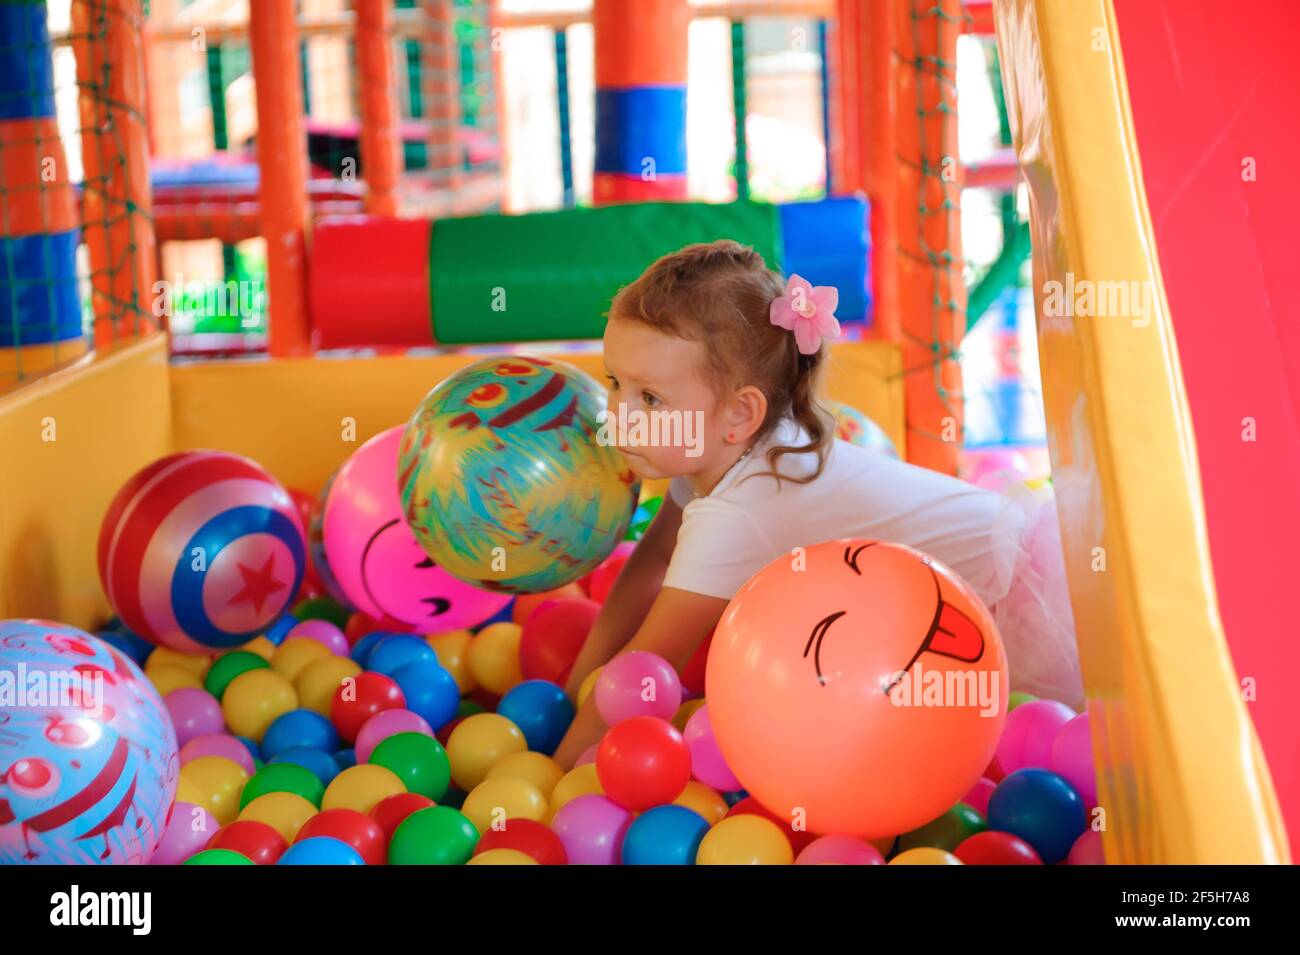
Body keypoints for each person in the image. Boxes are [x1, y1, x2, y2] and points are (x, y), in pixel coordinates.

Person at [551, 240, 1082, 768]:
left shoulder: (735, 514)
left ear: (740, 413)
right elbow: (652, 562)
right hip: (959, 585)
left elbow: (647, 669)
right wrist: (579, 679)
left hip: (1006, 605)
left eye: (649, 399)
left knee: (1041, 747)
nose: (617, 415)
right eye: (614, 383)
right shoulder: (724, 448)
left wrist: (555, 778)